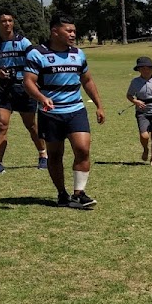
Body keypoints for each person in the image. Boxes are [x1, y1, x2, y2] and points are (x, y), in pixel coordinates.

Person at [23, 13, 106, 209]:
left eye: (74, 31)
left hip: (75, 109)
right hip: (50, 114)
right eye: (68, 30)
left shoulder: (78, 54)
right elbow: (28, 82)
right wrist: (42, 98)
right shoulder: (37, 53)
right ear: (55, 31)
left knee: (83, 149)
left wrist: (99, 105)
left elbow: (87, 80)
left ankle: (79, 194)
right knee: (55, 154)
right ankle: (62, 194)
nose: (72, 34)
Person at [0, 8, 46, 174]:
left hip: (23, 89)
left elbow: (36, 63)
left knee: (31, 125)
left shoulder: (23, 42)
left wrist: (35, 83)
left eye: (10, 20)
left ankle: (43, 155)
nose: (7, 24)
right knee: (1, 125)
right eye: (3, 21)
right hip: (3, 90)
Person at [125, 56, 152, 166]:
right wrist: (136, 102)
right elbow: (129, 95)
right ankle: (145, 149)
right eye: (142, 68)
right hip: (142, 112)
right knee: (144, 136)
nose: (146, 70)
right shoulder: (135, 82)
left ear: (151, 68)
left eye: (148, 68)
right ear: (138, 70)